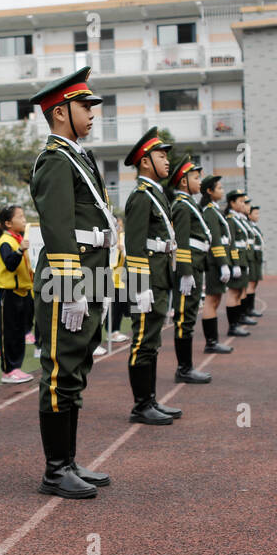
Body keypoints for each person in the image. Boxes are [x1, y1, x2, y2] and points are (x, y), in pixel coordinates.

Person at [28, 66, 114, 499]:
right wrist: (72, 288)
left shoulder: (80, 157)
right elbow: (58, 229)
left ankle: (69, 460)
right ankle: (55, 469)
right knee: (61, 368)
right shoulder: (55, 161)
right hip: (70, 276)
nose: (92, 112)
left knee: (77, 365)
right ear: (60, 112)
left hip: (90, 271)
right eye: (85, 106)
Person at [122, 127, 182, 425]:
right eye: (161, 156)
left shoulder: (156, 194)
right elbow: (133, 246)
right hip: (146, 281)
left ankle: (150, 399)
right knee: (143, 340)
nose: (167, 161)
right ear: (145, 161)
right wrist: (140, 287)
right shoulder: (141, 197)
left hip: (159, 277)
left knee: (153, 340)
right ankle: (140, 406)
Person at [167, 156, 211, 384]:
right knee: (185, 316)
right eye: (196, 178)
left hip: (195, 264)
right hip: (189, 266)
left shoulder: (190, 204)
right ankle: (184, 368)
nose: (200, 182)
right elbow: (181, 241)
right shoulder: (182, 206)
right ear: (183, 182)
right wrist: (185, 272)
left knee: (190, 314)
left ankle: (187, 366)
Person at [0, 204, 35, 384]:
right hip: (9, 293)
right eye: (20, 217)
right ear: (8, 223)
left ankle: (16, 367)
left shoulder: (18, 239)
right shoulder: (6, 241)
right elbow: (10, 264)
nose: (24, 220)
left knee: (20, 332)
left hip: (23, 292)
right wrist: (20, 251)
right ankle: (8, 370)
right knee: (9, 333)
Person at [198, 176, 234, 355]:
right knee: (211, 301)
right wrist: (223, 264)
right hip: (214, 263)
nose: (222, 191)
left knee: (215, 300)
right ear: (209, 192)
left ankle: (213, 341)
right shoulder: (210, 213)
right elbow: (216, 241)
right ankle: (211, 342)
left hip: (217, 262)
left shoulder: (214, 211)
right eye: (219, 188)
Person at [223, 190, 253, 338]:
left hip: (242, 260)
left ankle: (238, 321)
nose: (243, 204)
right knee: (233, 292)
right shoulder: (230, 220)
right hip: (237, 261)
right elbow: (231, 243)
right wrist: (234, 263)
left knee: (239, 291)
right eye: (240, 201)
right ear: (232, 203)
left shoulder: (238, 220)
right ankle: (233, 326)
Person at [241, 202, 264, 319]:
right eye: (255, 213)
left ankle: (251, 308)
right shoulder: (247, 225)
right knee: (250, 284)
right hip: (251, 257)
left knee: (254, 283)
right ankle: (248, 310)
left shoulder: (254, 227)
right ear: (249, 215)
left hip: (256, 257)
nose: (258, 215)